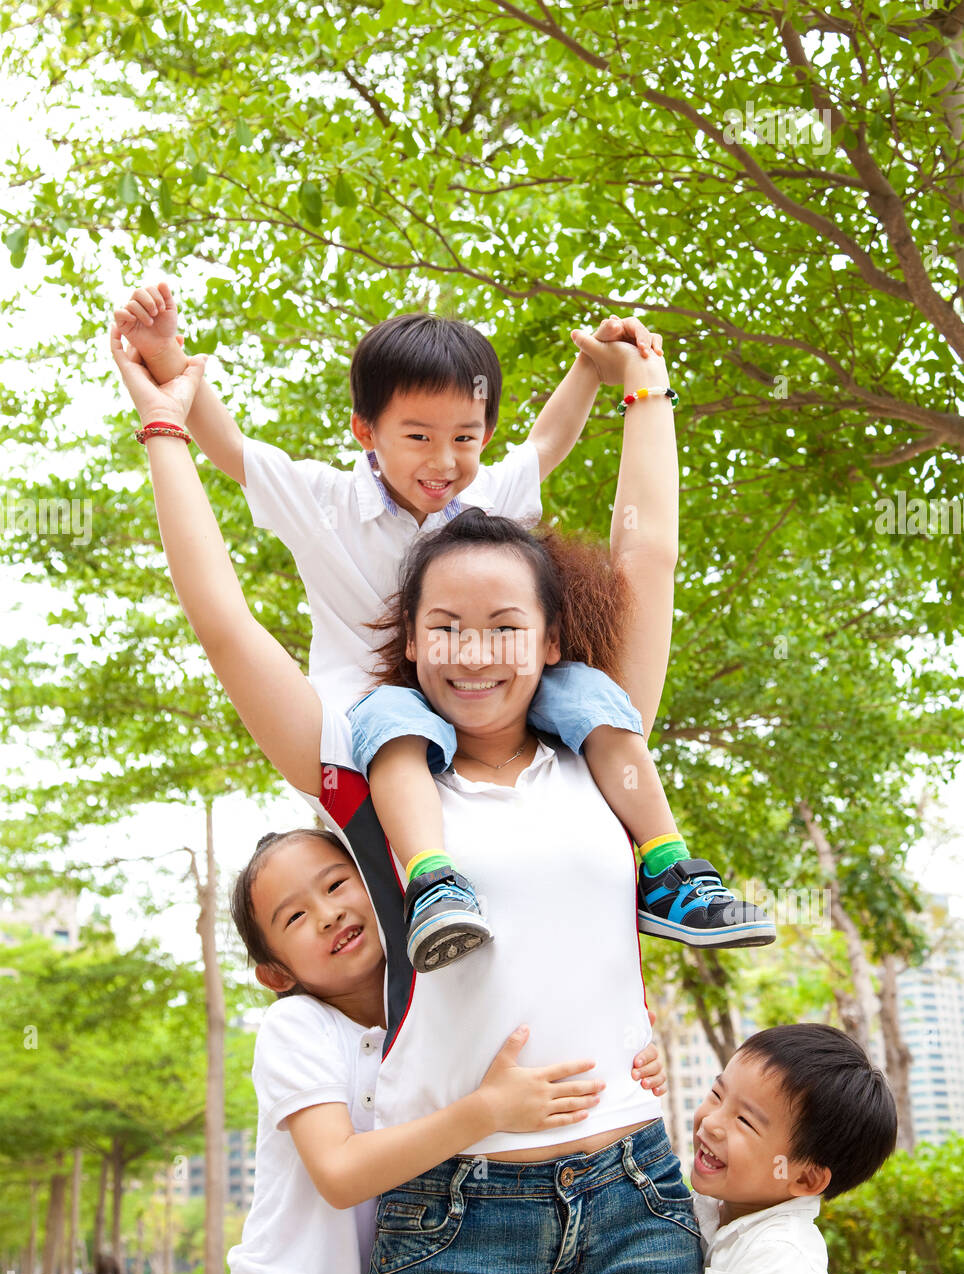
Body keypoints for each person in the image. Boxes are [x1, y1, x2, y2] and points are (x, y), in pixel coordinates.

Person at [109, 320, 703, 1274]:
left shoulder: (599, 749)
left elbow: (651, 563)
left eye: (507, 624)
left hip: (633, 1189)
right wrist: (166, 434)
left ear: (550, 640)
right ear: (410, 648)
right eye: (446, 626)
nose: (477, 649)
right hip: (457, 1216)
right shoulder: (365, 779)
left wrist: (645, 393)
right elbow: (223, 624)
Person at [114, 284, 773, 972]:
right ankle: (433, 880)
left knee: (589, 697)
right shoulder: (327, 503)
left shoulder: (487, 503)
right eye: (419, 437)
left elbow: (554, 450)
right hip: (378, 703)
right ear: (365, 431)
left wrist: (595, 370)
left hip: (506, 688)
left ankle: (667, 871)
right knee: (399, 725)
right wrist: (168, 363)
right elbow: (232, 453)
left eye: (465, 438)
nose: (445, 461)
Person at [222, 825, 665, 1274]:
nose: (328, 915)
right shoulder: (297, 1026)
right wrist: (489, 1110)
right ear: (275, 973)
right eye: (294, 917)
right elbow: (339, 1173)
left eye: (336, 885)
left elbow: (526, 1039)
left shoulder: (438, 1014)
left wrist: (625, 1056)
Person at [689, 1024, 898, 1274]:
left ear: (805, 1178)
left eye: (745, 1122)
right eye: (717, 1095)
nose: (712, 1122)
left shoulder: (780, 1260)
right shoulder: (710, 1208)